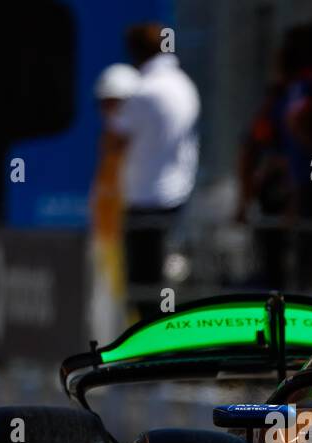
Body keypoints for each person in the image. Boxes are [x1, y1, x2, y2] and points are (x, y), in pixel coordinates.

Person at [106, 23, 200, 322]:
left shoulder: (144, 91)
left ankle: (149, 344)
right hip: (178, 197)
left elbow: (113, 140)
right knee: (165, 286)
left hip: (144, 201)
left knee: (143, 290)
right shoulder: (184, 85)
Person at [88, 63, 141, 342]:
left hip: (127, 235)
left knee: (131, 308)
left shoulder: (138, 147)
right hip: (106, 238)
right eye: (105, 103)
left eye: (116, 103)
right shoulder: (109, 142)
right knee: (103, 312)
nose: (109, 110)